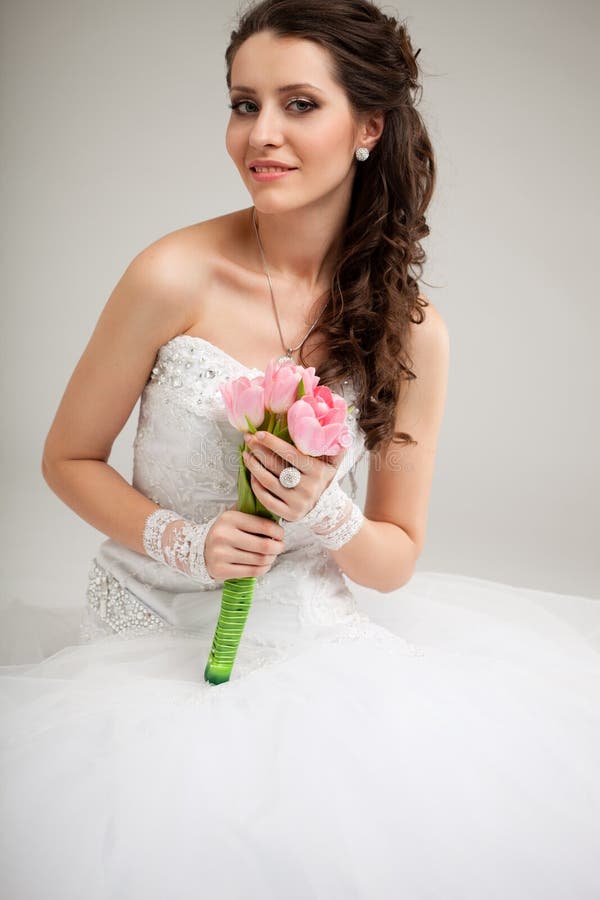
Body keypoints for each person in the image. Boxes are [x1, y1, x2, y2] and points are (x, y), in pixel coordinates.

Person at [1, 1, 599, 898]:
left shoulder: (415, 330)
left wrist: (326, 512)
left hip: (304, 629)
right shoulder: (171, 274)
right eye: (244, 104)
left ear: (369, 125)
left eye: (299, 105)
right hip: (149, 622)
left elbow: (393, 560)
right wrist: (182, 541)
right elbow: (67, 458)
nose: (261, 135)